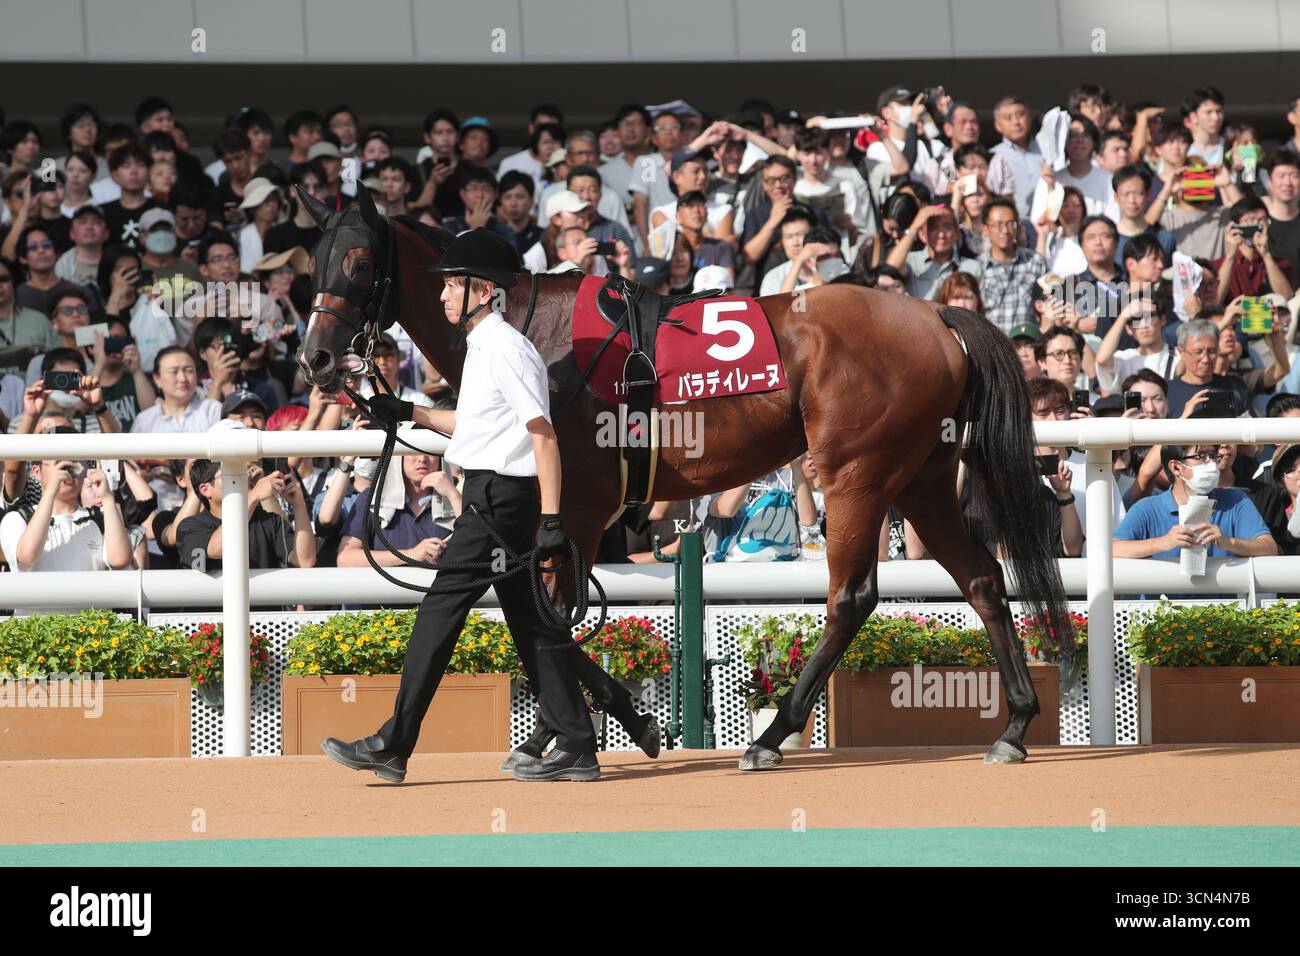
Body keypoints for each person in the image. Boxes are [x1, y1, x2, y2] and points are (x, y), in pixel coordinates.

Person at [322, 227, 655, 784]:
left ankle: (394, 743)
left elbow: (542, 434)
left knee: (439, 612)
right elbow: (474, 424)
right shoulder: (483, 346)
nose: (444, 295)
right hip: (497, 495)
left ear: (482, 290)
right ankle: (575, 743)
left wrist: (552, 518)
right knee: (535, 624)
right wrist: (405, 412)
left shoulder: (504, 347)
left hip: (502, 500)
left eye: (453, 285)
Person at [1113, 443, 1277, 559]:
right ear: (1176, 467)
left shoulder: (1235, 500)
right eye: (1201, 456)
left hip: (1223, 608)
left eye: (1213, 456)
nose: (1211, 464)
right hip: (1161, 607)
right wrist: (1163, 542)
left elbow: (1269, 548)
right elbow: (1112, 549)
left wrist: (1227, 542)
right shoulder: (1148, 508)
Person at [177, 457, 317, 573]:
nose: (241, 479)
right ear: (206, 489)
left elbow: (305, 560)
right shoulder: (190, 527)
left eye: (242, 473)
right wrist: (255, 494)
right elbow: (218, 548)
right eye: (231, 475)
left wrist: (299, 504)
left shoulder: (267, 519)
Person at [961, 197, 1048, 334]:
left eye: (1010, 224)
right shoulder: (975, 268)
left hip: (1027, 349)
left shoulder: (1035, 262)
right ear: (986, 229)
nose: (1005, 231)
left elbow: (1047, 307)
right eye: (998, 224)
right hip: (991, 350)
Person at [886, 204, 973, 300]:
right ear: (922, 234)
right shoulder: (910, 261)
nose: (941, 235)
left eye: (947, 227)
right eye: (933, 227)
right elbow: (889, 270)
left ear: (956, 232)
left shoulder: (971, 268)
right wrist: (914, 227)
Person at [130, 345, 221, 433]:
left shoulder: (212, 411)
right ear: (157, 379)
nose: (183, 378)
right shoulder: (144, 421)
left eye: (189, 370)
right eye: (174, 372)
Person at [0, 254, 58, 377]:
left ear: (14, 282)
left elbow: (60, 367)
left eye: (3, 279)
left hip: (38, 393)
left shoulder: (39, 320)